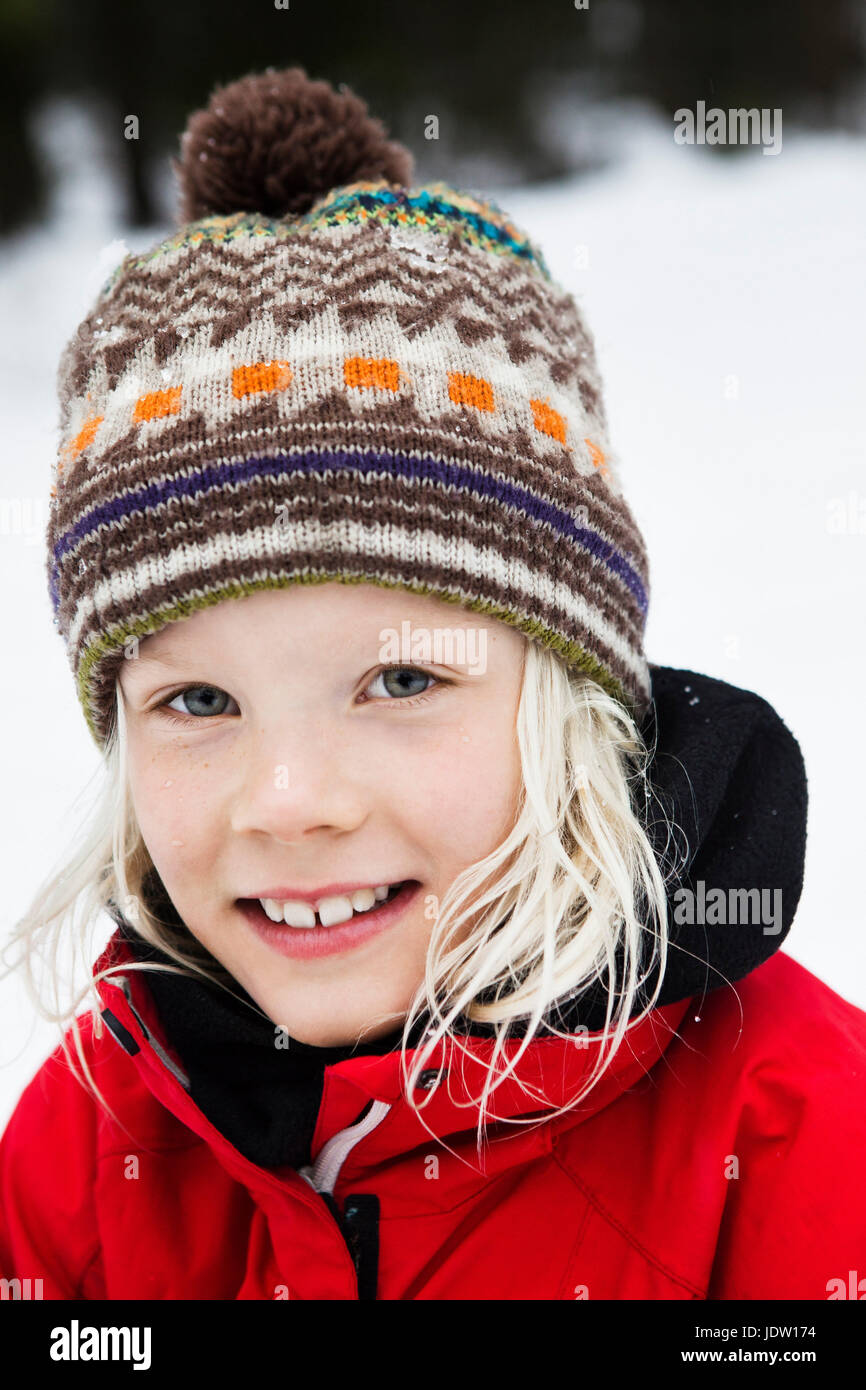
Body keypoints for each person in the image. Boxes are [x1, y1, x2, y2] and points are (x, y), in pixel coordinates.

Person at [1, 65, 864, 1302]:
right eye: (198, 702)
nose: (288, 801)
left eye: (399, 678)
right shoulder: (96, 1145)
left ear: (565, 694)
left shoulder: (793, 1132)